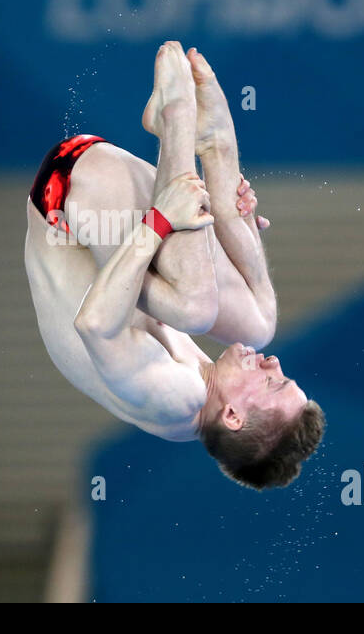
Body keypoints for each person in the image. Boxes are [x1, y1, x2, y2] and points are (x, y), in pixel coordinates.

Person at [24, 42, 324, 489]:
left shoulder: (174, 399)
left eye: (275, 384)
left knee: (195, 309)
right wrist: (233, 232)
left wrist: (163, 218)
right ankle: (213, 147)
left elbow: (92, 323)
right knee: (258, 324)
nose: (275, 365)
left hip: (64, 204)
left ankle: (178, 122)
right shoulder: (199, 395)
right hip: (106, 218)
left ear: (235, 416)